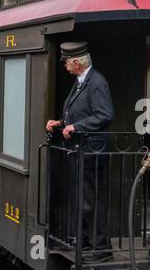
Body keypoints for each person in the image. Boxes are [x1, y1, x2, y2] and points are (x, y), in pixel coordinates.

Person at [46, 42, 113, 258]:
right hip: (81, 150)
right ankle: (86, 242)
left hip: (92, 152)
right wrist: (61, 122)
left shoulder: (97, 82)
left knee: (92, 201)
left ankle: (100, 248)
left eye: (66, 62)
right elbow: (80, 112)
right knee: (84, 199)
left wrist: (75, 127)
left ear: (76, 63)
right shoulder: (81, 81)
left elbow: (104, 114)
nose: (64, 65)